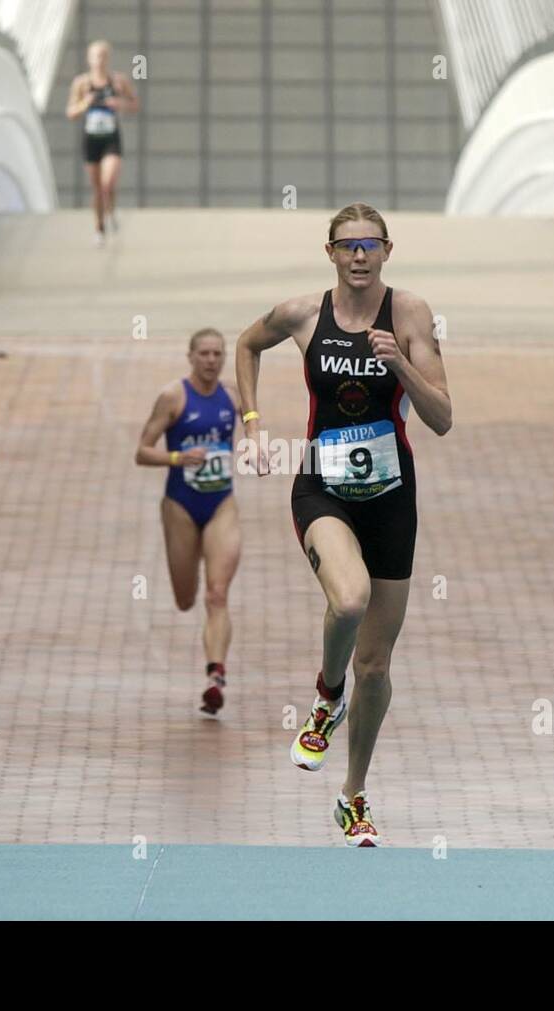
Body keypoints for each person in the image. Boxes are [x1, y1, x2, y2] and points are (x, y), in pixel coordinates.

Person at [234, 202, 452, 846]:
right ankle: (326, 695)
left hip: (391, 496)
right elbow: (248, 345)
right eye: (347, 245)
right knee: (349, 598)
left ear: (388, 251)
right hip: (321, 486)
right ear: (329, 252)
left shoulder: (409, 315)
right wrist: (251, 424)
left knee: (378, 666)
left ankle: (353, 794)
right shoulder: (303, 314)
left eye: (371, 245)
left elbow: (441, 417)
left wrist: (400, 364)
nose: (360, 256)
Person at [134, 329, 242, 716]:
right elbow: (142, 452)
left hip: (221, 504)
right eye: (204, 354)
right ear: (191, 356)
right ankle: (188, 583)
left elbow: (255, 426)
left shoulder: (233, 396)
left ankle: (216, 675)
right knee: (185, 599)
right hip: (180, 505)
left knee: (217, 594)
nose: (211, 360)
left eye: (218, 354)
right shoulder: (173, 397)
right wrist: (179, 459)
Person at [65, 40, 140, 247]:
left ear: (108, 58)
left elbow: (135, 104)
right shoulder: (81, 83)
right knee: (97, 188)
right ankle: (99, 228)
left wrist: (120, 104)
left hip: (111, 138)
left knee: (108, 183)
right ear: (89, 59)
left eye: (103, 56)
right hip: (91, 139)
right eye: (95, 56)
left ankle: (111, 210)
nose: (99, 60)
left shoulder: (117, 81)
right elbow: (70, 112)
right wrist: (84, 104)